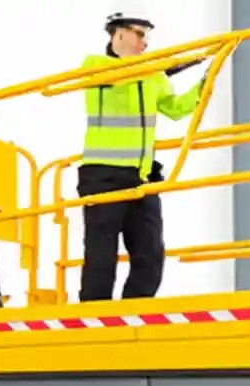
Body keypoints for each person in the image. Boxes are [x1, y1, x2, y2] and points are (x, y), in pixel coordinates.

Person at [76, 12, 207, 302]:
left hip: (142, 176)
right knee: (101, 257)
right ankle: (93, 318)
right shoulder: (95, 66)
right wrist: (161, 66)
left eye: (147, 36)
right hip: (103, 175)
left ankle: (132, 312)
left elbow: (174, 109)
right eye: (139, 34)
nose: (144, 42)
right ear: (117, 35)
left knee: (150, 254)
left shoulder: (153, 76)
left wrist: (201, 88)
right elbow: (117, 77)